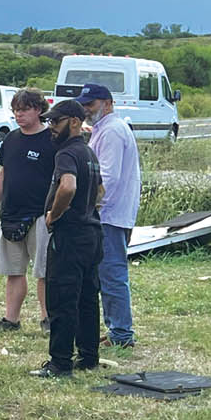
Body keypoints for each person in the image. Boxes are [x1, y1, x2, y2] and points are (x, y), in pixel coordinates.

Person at [31, 99, 104, 378]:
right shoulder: (88, 152)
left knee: (62, 298)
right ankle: (88, 357)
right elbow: (100, 191)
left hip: (70, 235)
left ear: (74, 122)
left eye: (56, 121)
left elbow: (68, 186)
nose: (51, 127)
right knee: (88, 297)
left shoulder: (66, 153)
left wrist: (53, 216)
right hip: (92, 233)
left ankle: (60, 363)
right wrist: (87, 210)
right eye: (49, 121)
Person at [0, 88, 56, 332]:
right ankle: (11, 320)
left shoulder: (51, 140)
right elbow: (3, 174)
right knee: (13, 271)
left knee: (44, 271)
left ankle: (48, 319)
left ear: (38, 110)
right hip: (11, 214)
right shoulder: (11, 139)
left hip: (40, 216)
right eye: (15, 110)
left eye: (24, 110)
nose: (18, 115)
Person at [75, 82, 141, 347]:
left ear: (108, 103)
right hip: (110, 213)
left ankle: (122, 334)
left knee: (112, 274)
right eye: (84, 105)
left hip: (109, 214)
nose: (86, 110)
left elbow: (108, 177)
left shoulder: (112, 130)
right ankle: (116, 328)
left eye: (90, 104)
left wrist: (91, 206)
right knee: (106, 274)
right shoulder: (104, 129)